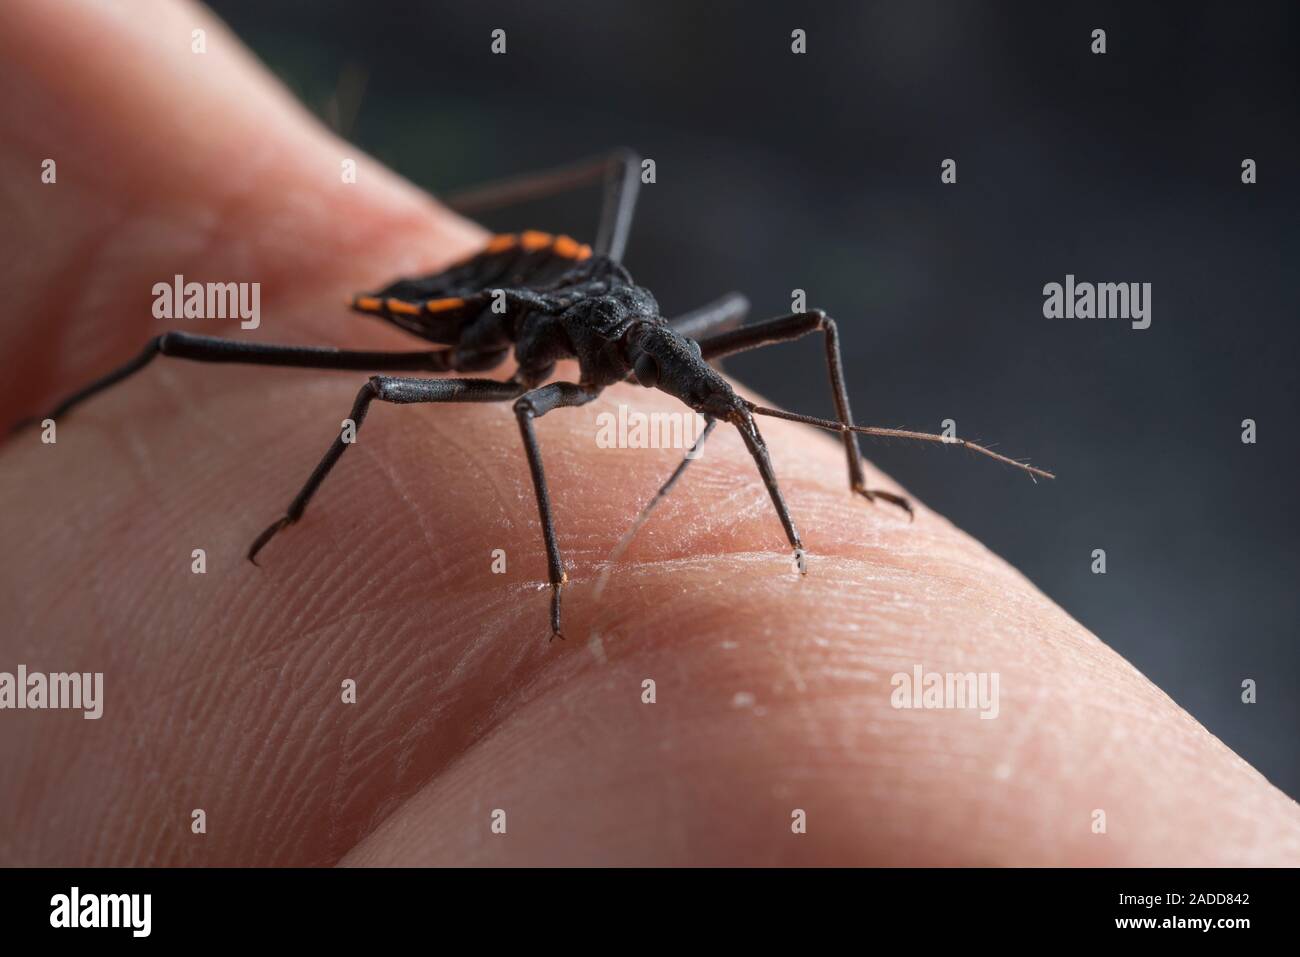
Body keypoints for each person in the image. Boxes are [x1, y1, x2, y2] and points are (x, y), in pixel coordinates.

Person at [1, 0, 1296, 866]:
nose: (715, 398)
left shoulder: (684, 354)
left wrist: (828, 473)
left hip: (560, 294)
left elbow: (767, 348)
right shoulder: (547, 366)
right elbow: (515, 413)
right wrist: (558, 571)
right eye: (700, 389)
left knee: (786, 320)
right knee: (203, 343)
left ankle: (841, 471)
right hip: (463, 318)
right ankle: (105, 428)